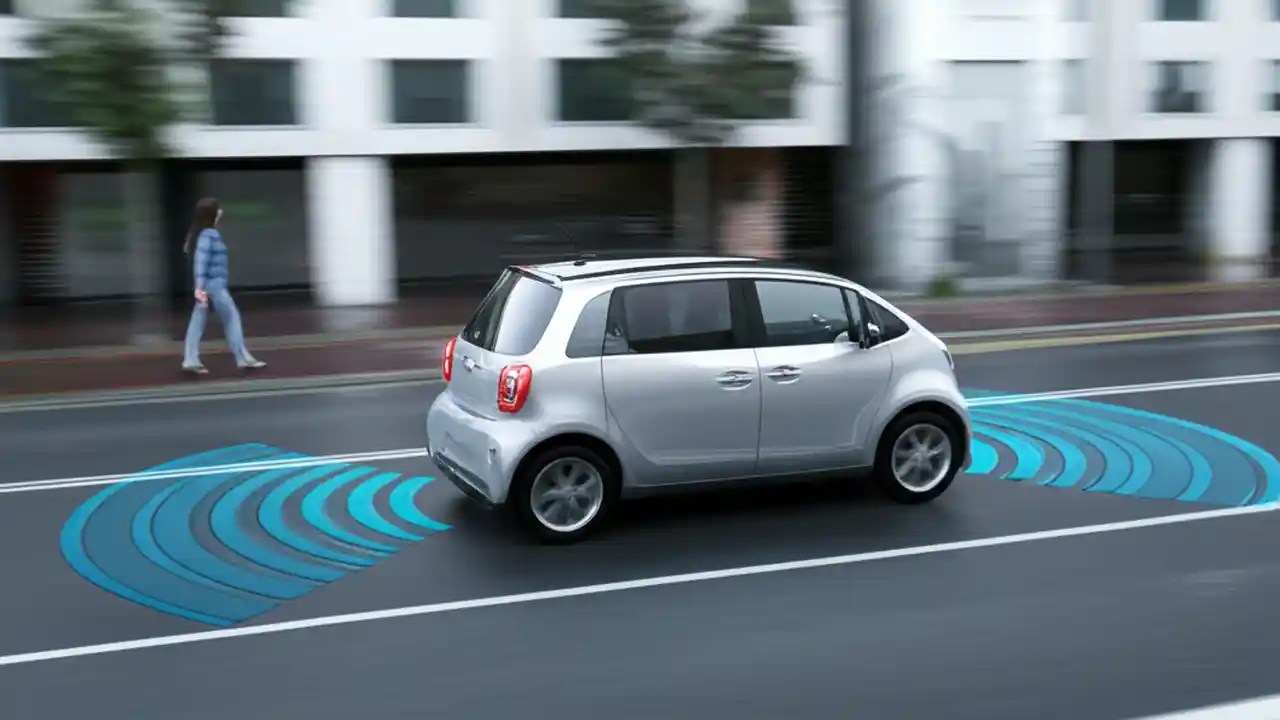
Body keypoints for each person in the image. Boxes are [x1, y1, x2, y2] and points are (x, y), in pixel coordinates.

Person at [181, 197, 266, 375]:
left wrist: (200, 287)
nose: (221, 211)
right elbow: (201, 261)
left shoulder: (203, 234)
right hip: (214, 286)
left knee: (198, 321)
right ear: (211, 213)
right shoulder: (208, 235)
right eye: (218, 209)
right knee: (232, 318)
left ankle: (190, 359)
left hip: (208, 285)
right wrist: (200, 287)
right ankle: (243, 358)